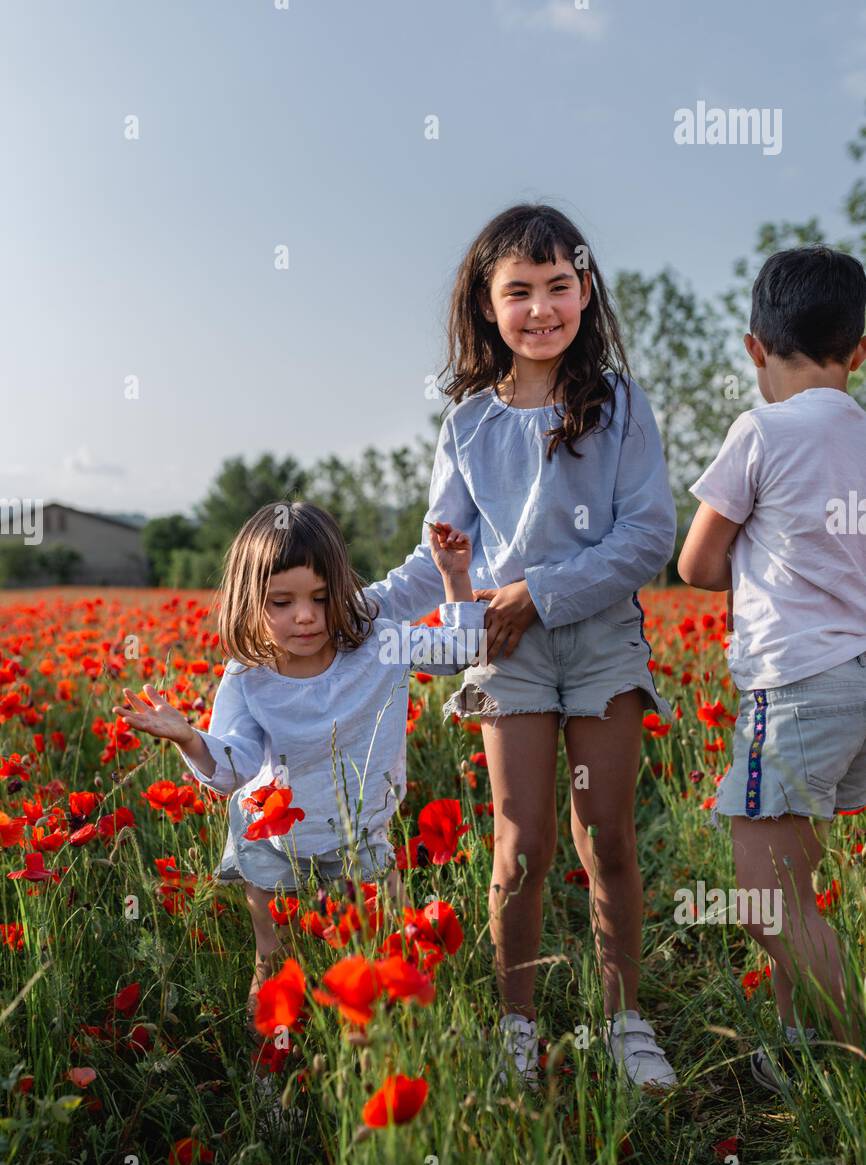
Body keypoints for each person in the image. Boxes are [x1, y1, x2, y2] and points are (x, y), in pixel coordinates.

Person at [364, 204, 678, 1090]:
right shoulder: (468, 424)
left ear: (585, 291)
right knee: (521, 843)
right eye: (519, 292)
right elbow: (439, 558)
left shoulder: (616, 404)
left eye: (558, 287)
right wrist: (362, 611)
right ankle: (517, 1024)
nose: (541, 308)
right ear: (485, 303)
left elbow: (648, 535)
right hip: (510, 653)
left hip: (601, 636)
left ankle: (627, 1021)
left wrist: (540, 591)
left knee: (608, 835)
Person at [113, 500, 486, 1039]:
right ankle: (271, 1079)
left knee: (390, 950)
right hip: (273, 843)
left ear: (343, 588)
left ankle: (381, 1053)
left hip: (363, 836)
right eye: (281, 602)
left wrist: (454, 576)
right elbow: (235, 766)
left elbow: (460, 651)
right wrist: (192, 738)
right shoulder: (249, 677)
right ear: (249, 602)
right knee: (274, 962)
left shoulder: (380, 644)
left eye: (320, 597)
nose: (305, 616)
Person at [678, 245, 866, 1093]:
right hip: (858, 679)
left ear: (756, 348)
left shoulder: (759, 429)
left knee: (766, 898)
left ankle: (851, 1048)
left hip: (795, 685)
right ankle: (798, 1056)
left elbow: (697, 564)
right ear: (859, 351)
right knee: (802, 881)